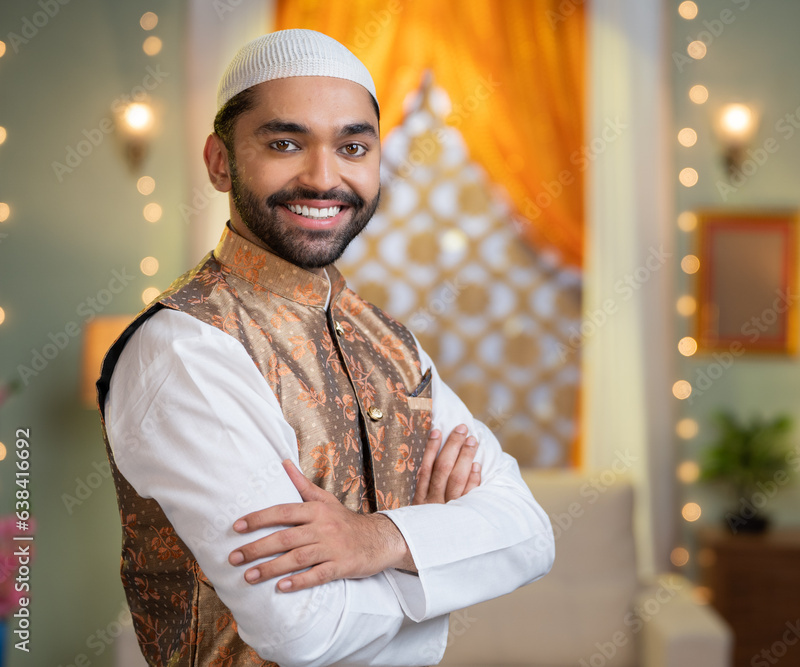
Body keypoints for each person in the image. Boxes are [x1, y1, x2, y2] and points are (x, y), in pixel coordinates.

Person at [96, 29, 554, 666]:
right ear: (220, 161)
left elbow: (530, 535)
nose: (323, 177)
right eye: (285, 143)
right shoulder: (185, 349)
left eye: (352, 147)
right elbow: (301, 629)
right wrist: (438, 556)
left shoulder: (391, 341)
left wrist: (379, 539)